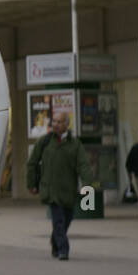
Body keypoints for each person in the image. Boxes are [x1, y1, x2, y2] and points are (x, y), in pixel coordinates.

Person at [26, 110, 93, 260]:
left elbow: (83, 165)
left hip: (68, 190)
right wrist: (31, 184)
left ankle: (55, 242)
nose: (55, 124)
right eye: (54, 121)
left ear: (67, 124)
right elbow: (32, 163)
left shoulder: (75, 144)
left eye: (59, 122)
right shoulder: (44, 142)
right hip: (50, 190)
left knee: (67, 219)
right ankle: (64, 250)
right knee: (59, 220)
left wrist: (87, 185)